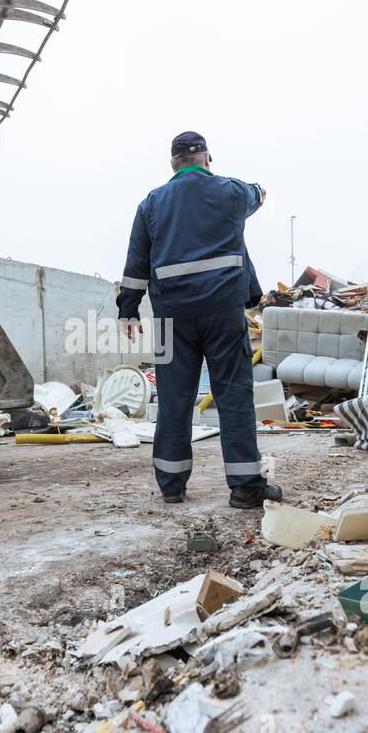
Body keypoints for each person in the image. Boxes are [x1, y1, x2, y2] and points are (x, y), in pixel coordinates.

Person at [116, 131, 283, 508]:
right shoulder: (231, 192)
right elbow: (259, 192)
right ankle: (245, 487)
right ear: (208, 157)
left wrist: (128, 310)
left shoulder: (151, 204)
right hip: (222, 311)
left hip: (171, 317)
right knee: (233, 396)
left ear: (172, 164)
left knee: (175, 398)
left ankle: (172, 485)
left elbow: (135, 264)